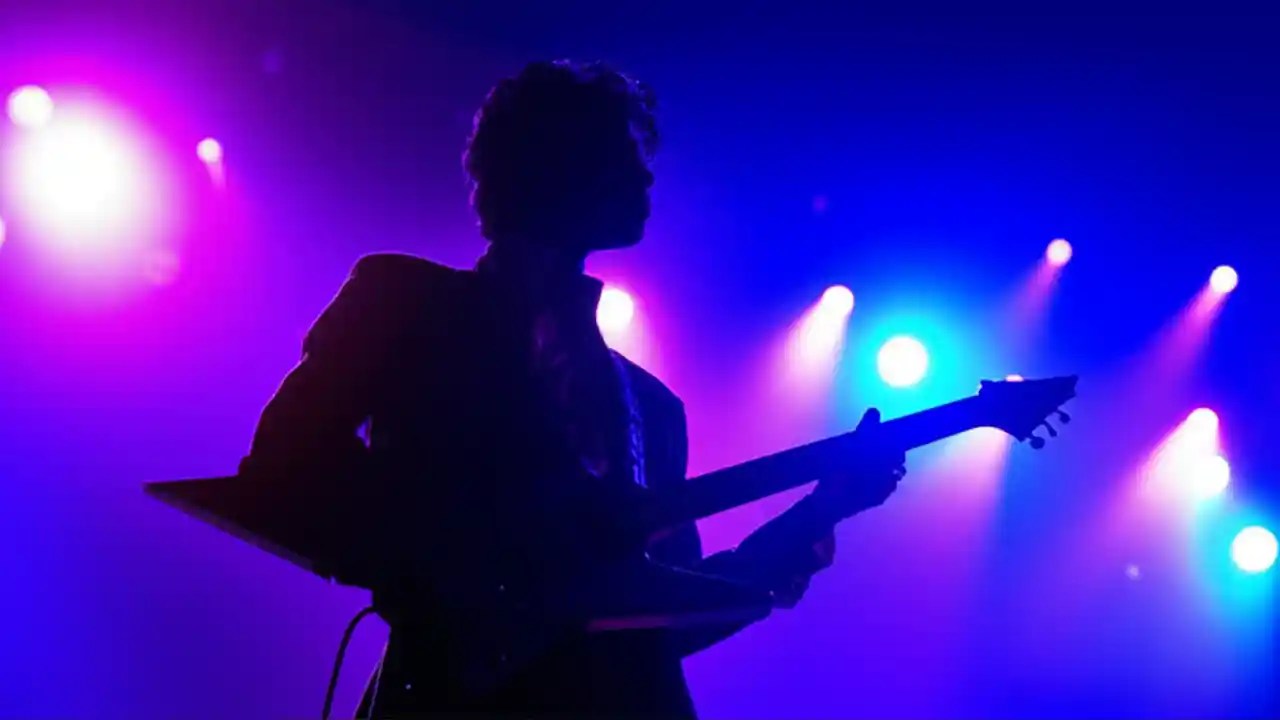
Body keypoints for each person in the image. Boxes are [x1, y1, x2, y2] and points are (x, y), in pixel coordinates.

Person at [239, 59, 906, 718]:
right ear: (551, 162)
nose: (645, 175)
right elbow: (282, 466)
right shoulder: (405, 303)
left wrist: (826, 508)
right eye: (621, 152)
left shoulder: (649, 408)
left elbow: (668, 617)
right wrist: (467, 555)